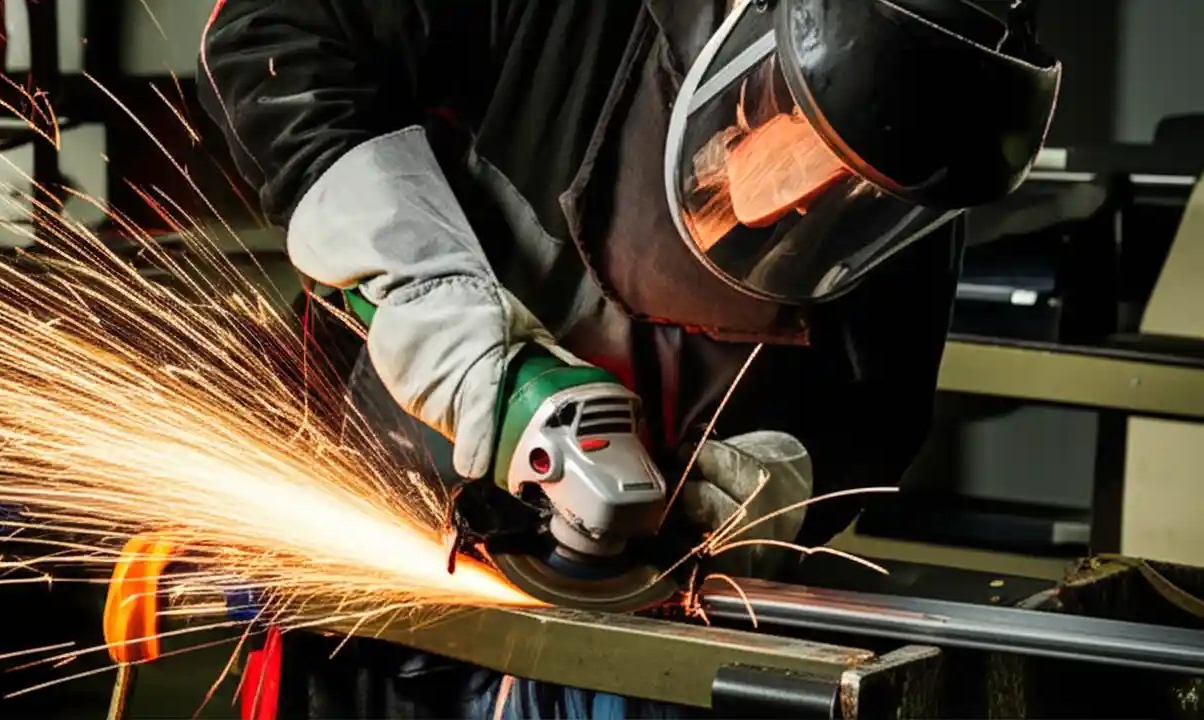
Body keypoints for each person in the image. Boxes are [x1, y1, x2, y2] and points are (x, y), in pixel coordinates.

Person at [199, 1, 1059, 717]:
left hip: (665, 635)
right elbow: (270, 33)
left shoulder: (937, 126)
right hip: (391, 590)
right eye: (798, 131)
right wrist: (434, 300)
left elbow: (876, 417)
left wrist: (776, 485)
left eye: (856, 190)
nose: (797, 201)